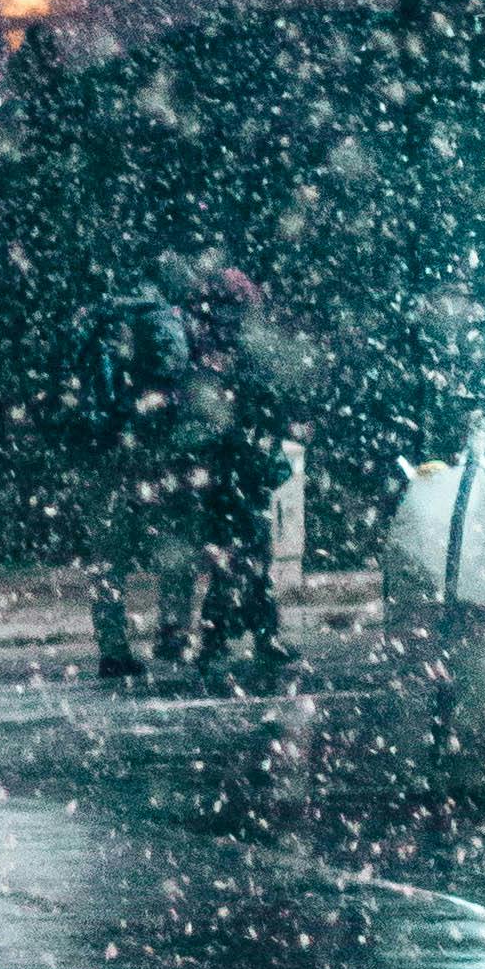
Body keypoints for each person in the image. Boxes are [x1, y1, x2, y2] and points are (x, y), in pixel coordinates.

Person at [81, 250, 205, 684]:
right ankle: (172, 631)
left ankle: (112, 648)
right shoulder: (161, 317)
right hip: (152, 451)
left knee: (108, 559)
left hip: (102, 451)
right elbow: (176, 375)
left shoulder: (99, 318)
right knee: (176, 542)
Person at [189, 267, 295, 685]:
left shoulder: (208, 342)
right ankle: (252, 636)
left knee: (233, 555)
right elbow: (260, 397)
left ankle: (227, 637)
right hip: (241, 465)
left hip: (224, 467)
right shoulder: (241, 347)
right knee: (249, 554)